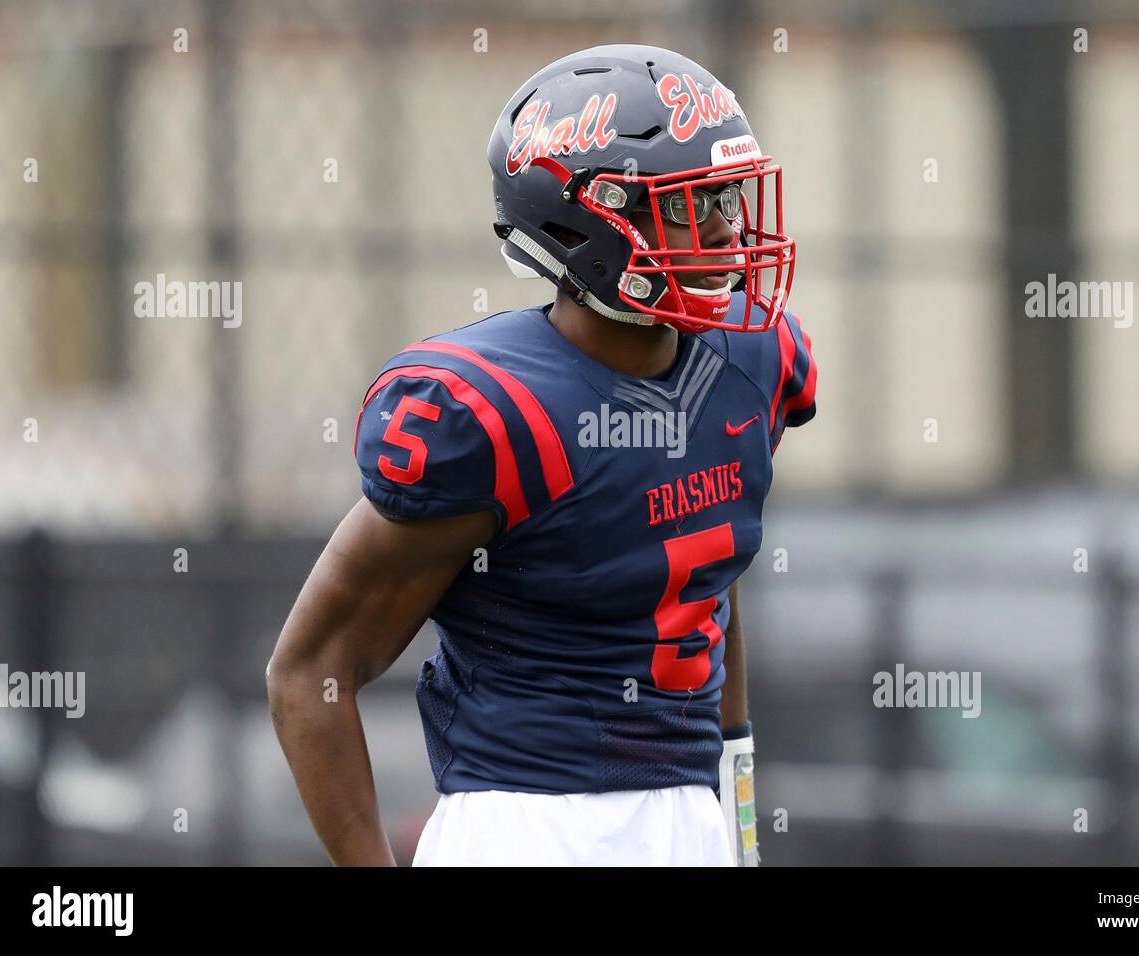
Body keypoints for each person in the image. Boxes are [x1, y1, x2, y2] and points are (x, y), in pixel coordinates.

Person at [267, 43, 815, 866]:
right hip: (533, 830)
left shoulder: (749, 364)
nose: (727, 233)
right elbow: (309, 671)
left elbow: (711, 588)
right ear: (592, 222)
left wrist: (733, 791)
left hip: (693, 819)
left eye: (727, 199)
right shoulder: (492, 414)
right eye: (691, 203)